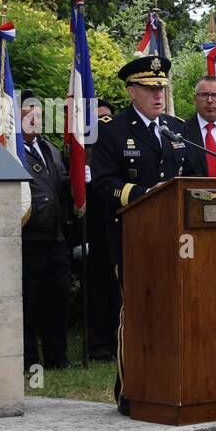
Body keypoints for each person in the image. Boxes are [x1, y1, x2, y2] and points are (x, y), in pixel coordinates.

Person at [90, 55, 195, 413]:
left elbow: (190, 179)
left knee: (172, 310)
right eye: (150, 89)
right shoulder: (112, 132)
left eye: (161, 88)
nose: (158, 95)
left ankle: (168, 384)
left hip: (176, 236)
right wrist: (143, 195)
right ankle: (131, 389)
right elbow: (103, 185)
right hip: (133, 236)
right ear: (132, 91)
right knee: (137, 312)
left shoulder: (176, 129)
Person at [18, 95, 71, 371]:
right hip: (29, 237)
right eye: (28, 115)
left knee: (58, 297)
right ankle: (28, 359)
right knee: (28, 302)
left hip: (56, 236)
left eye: (38, 114)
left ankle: (57, 357)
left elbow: (60, 182)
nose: (34, 120)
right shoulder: (12, 149)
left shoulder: (50, 148)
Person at [85, 98, 121, 361]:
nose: (104, 122)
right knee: (98, 289)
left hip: (119, 224)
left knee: (118, 289)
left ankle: (117, 339)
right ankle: (99, 345)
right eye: (98, 119)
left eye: (107, 117)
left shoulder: (115, 148)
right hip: (93, 229)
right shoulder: (79, 152)